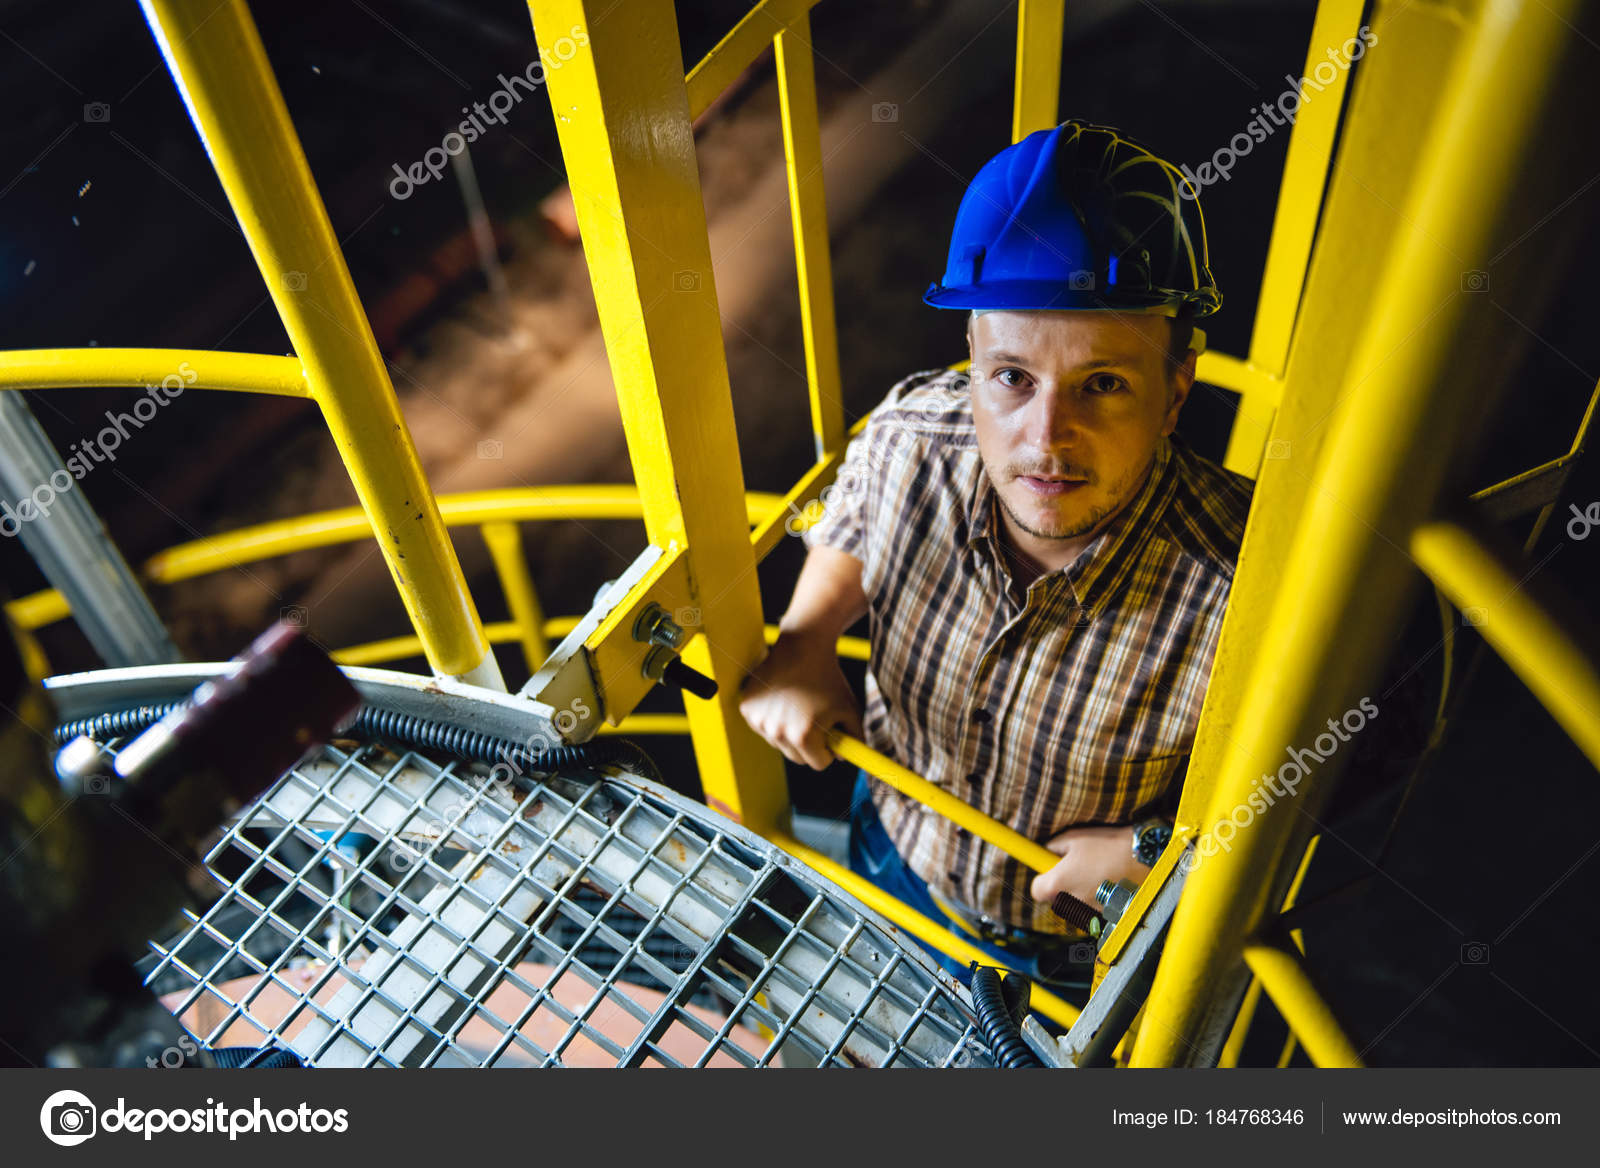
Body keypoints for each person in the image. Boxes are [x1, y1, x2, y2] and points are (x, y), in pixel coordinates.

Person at [738, 120, 1253, 998]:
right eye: (1012, 378)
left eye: (1104, 384)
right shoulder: (910, 436)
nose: (1046, 439)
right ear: (971, 360)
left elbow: (1343, 761)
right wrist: (807, 636)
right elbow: (858, 516)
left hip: (1069, 955)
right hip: (891, 851)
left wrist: (1153, 852)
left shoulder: (1245, 585)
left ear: (1175, 392)